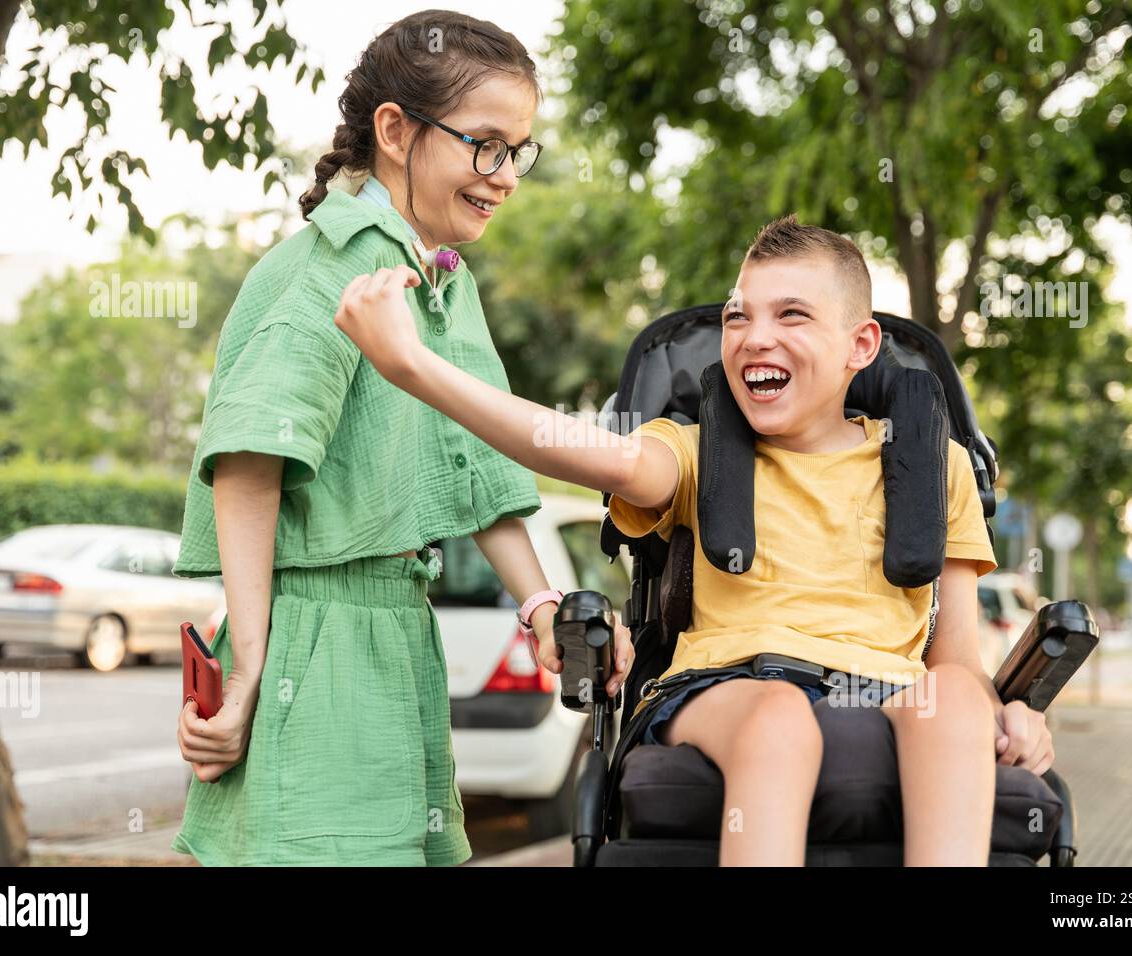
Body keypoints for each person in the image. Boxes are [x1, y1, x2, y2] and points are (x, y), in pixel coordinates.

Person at [332, 214, 1055, 866]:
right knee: (780, 719)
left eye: (791, 315)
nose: (754, 336)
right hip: (732, 684)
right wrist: (414, 368)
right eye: (740, 315)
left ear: (860, 345)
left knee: (955, 698)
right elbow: (581, 449)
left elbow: (956, 653)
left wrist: (1004, 711)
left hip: (884, 687)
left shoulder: (933, 465)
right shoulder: (698, 451)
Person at [170, 10, 631, 866]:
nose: (505, 175)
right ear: (394, 130)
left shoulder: (442, 281)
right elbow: (245, 462)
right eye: (484, 145)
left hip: (394, 637)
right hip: (315, 646)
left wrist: (537, 606)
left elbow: (482, 467)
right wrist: (245, 676)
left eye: (518, 151)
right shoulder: (335, 265)